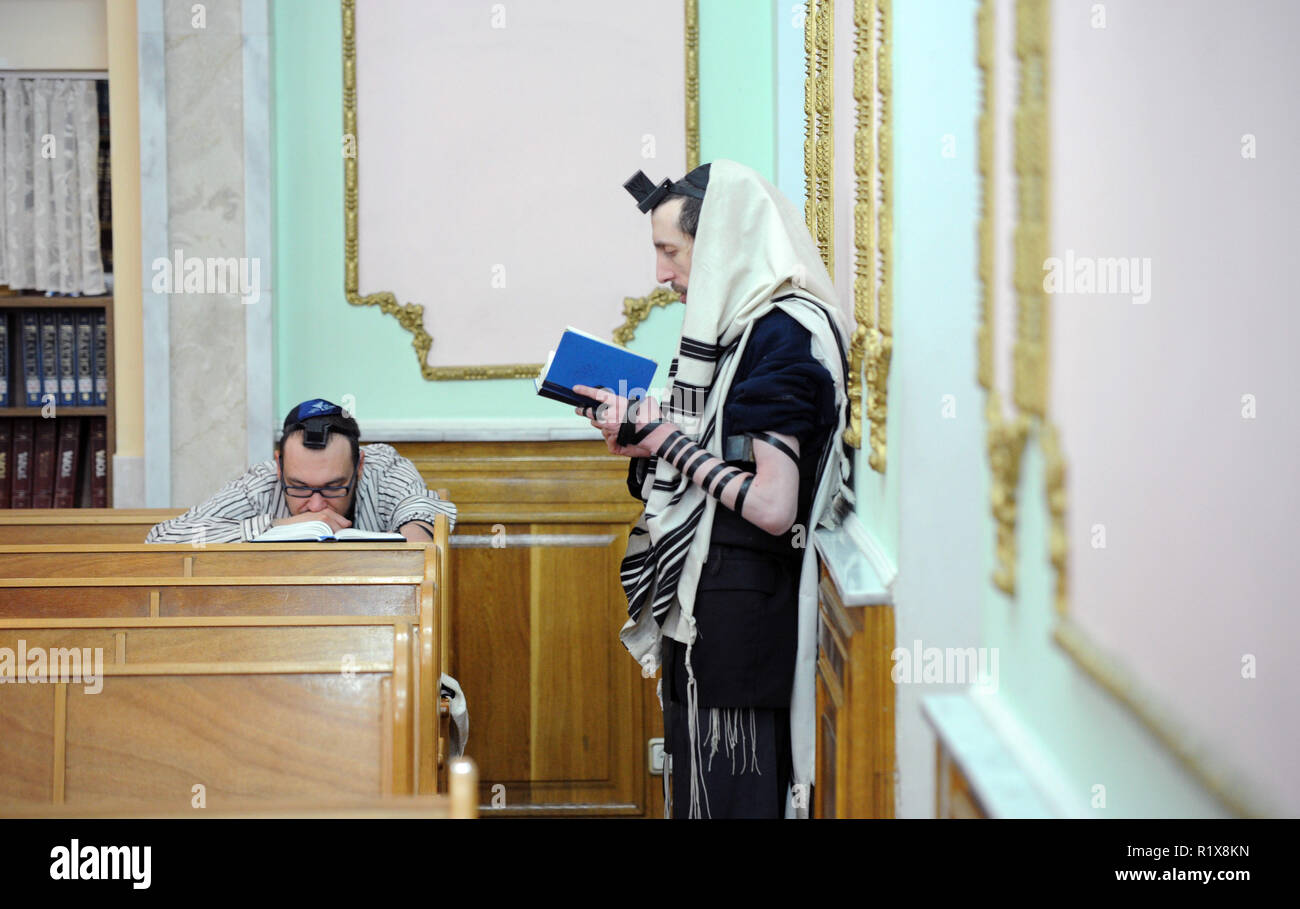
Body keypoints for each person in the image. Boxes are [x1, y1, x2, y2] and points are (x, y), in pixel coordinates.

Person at [575, 160, 851, 818]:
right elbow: (707, 453)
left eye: (671, 252)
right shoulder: (733, 331)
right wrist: (640, 442)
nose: (663, 274)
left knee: (732, 800)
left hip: (741, 626)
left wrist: (662, 438)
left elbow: (772, 504)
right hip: (706, 612)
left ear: (723, 242)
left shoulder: (783, 334)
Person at [145, 398, 457, 543]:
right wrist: (282, 526)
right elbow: (162, 538)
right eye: (300, 487)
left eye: (334, 487)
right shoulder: (261, 484)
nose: (317, 506)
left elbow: (417, 512)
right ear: (280, 466)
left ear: (359, 466)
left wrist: (415, 542)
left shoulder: (382, 467)